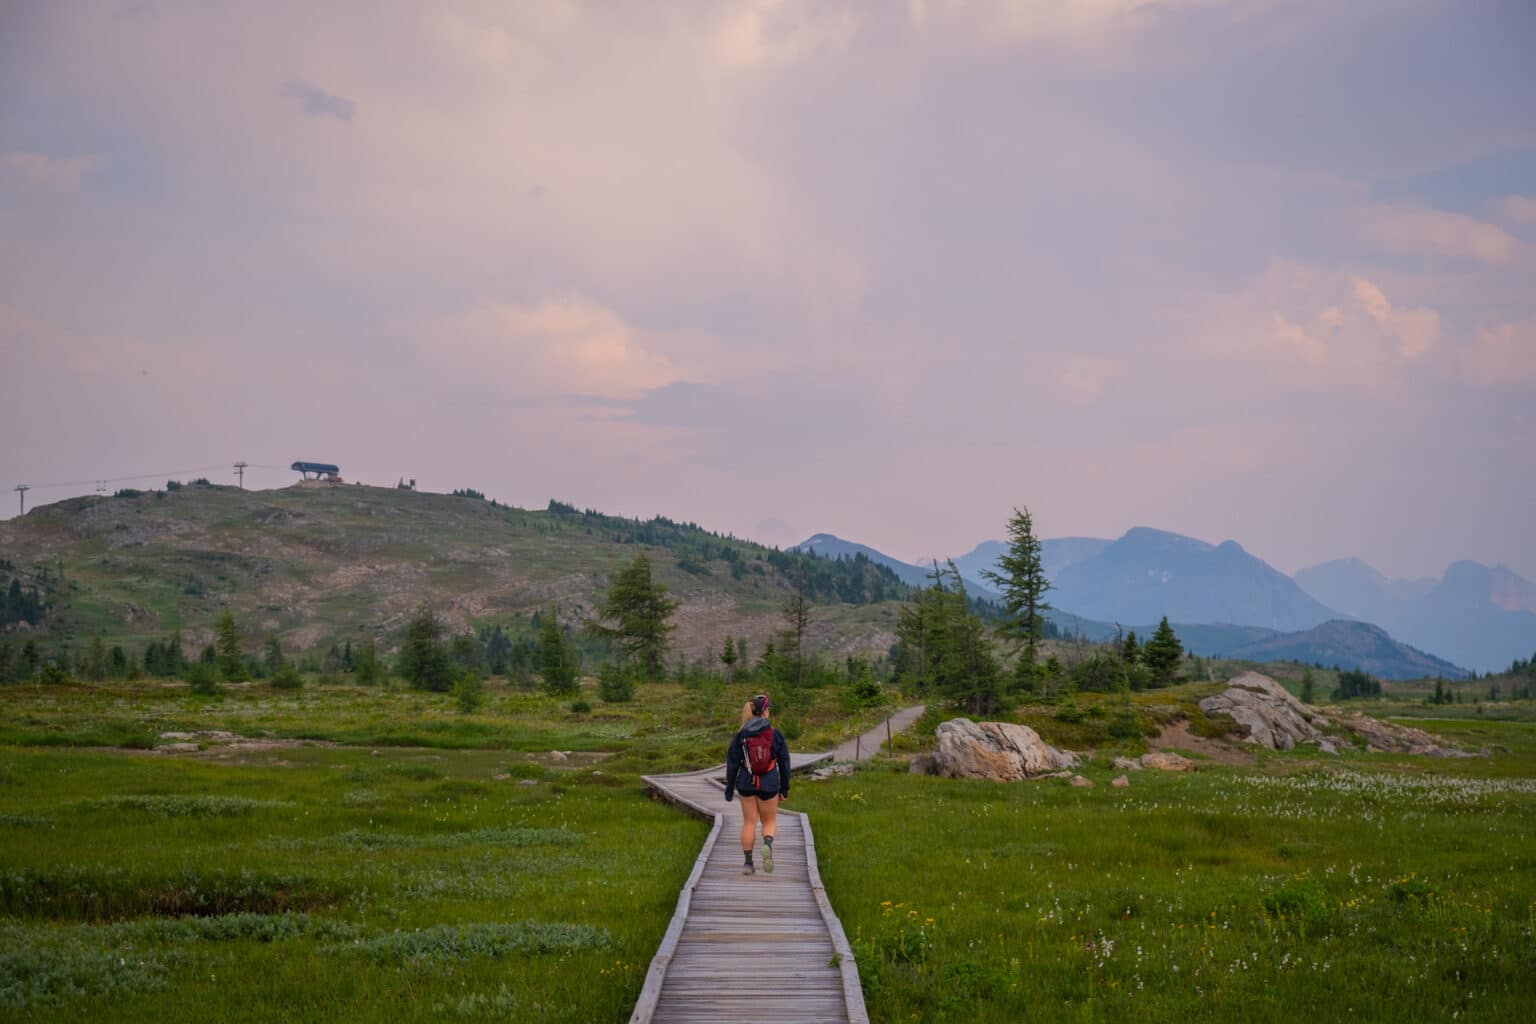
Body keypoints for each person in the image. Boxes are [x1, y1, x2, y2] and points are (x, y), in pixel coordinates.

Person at [724, 693, 790, 875]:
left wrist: (729, 789)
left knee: (749, 823)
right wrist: (784, 789)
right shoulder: (775, 735)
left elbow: (732, 764)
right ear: (766, 712)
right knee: (769, 821)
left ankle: (748, 863)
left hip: (746, 783)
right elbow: (784, 763)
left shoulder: (740, 736)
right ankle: (767, 844)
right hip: (769, 783)